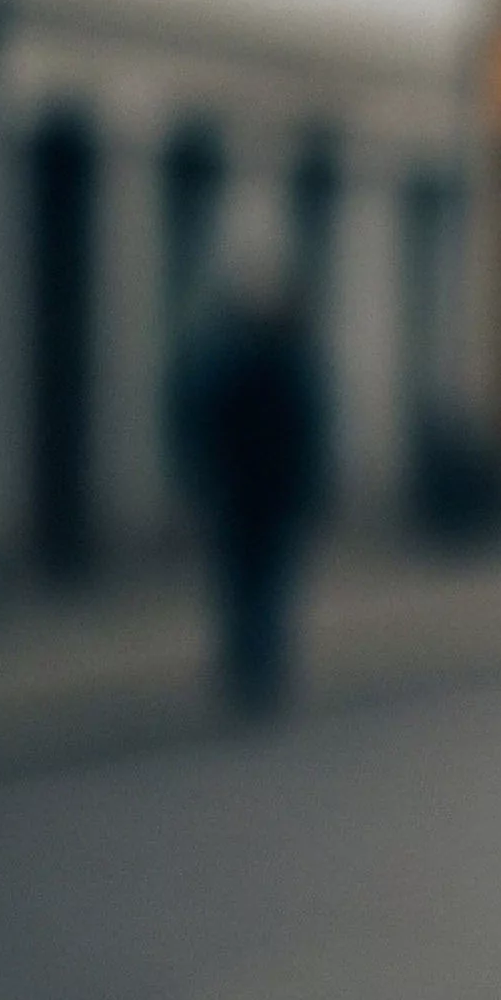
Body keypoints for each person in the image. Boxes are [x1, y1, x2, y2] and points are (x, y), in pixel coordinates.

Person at [173, 279, 328, 719]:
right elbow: (306, 436)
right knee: (264, 583)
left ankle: (248, 662)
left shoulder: (234, 368)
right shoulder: (288, 371)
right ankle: (258, 664)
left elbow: (205, 427)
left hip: (243, 494)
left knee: (243, 581)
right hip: (268, 495)